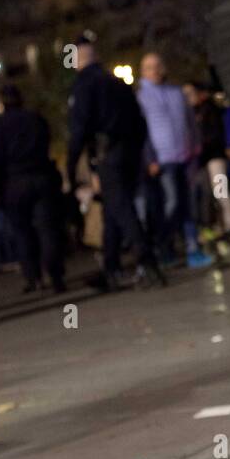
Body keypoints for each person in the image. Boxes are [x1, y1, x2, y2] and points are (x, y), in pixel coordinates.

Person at [66, 34, 164, 291]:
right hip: (128, 152)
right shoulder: (116, 82)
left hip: (109, 155)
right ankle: (111, 267)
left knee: (122, 210)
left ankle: (148, 262)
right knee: (113, 211)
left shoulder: (84, 86)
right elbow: (139, 121)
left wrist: (73, 166)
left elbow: (79, 129)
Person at [0, 84, 66, 294]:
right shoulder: (35, 119)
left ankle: (33, 277)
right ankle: (56, 274)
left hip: (15, 183)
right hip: (41, 177)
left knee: (23, 233)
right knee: (47, 229)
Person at [137, 54, 213, 269]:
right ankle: (164, 245)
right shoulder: (142, 98)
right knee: (170, 204)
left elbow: (190, 121)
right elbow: (141, 132)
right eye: (149, 67)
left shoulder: (176, 92)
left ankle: (192, 248)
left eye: (157, 65)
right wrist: (149, 158)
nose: (155, 70)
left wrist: (196, 147)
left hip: (185, 156)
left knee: (189, 204)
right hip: (162, 160)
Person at [183, 83, 230, 239]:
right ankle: (223, 224)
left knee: (221, 190)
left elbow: (215, 133)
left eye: (190, 93)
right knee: (211, 194)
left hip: (214, 156)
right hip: (203, 160)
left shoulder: (209, 110)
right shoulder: (191, 114)